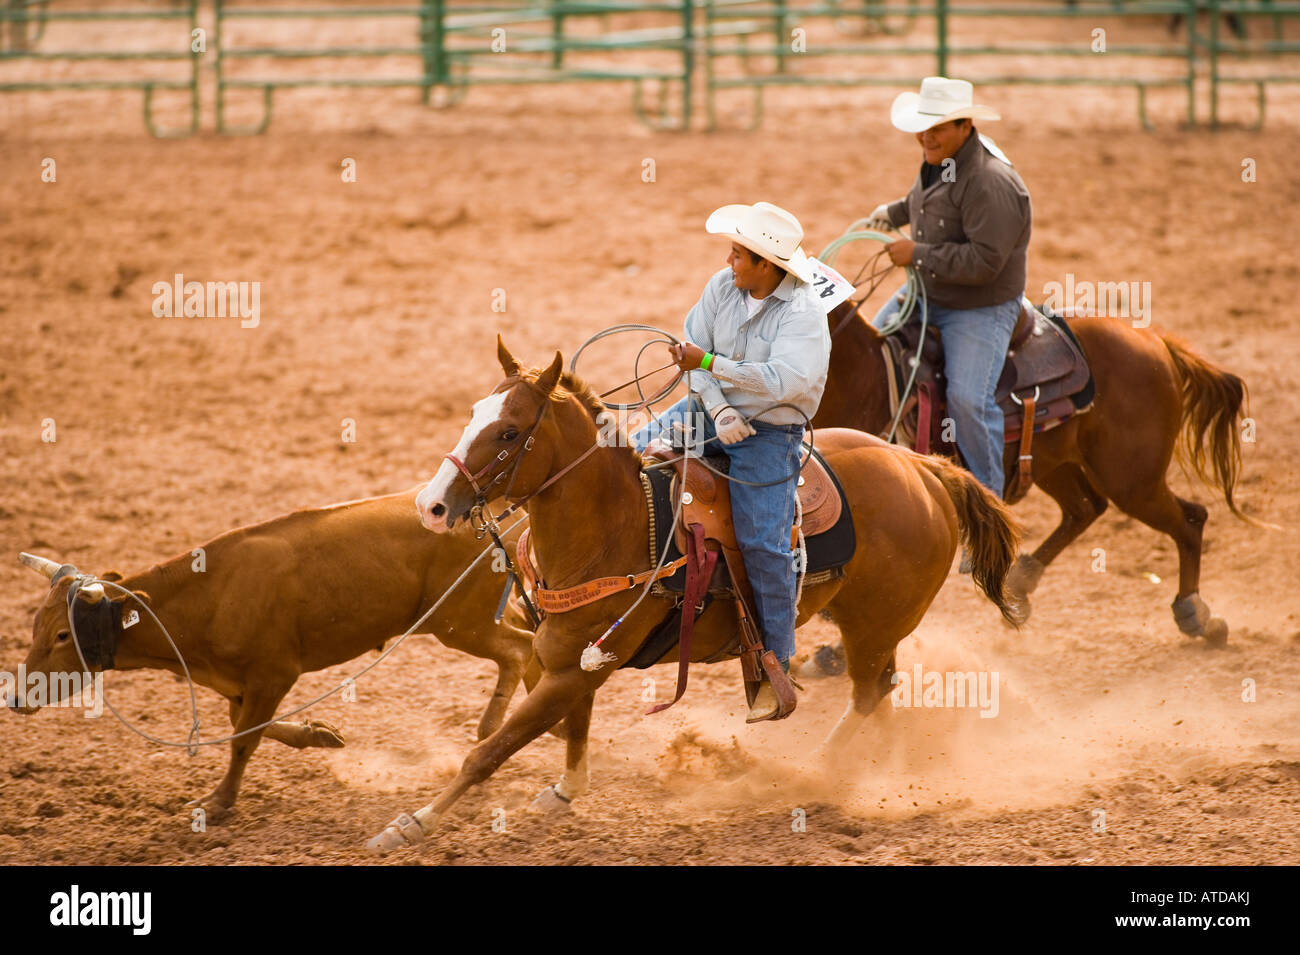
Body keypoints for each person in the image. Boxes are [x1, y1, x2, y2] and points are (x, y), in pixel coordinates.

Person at [630, 201, 831, 722]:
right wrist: (717, 407)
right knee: (626, 456)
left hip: (771, 431)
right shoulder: (723, 287)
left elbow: (785, 381)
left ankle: (776, 661)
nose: (730, 260)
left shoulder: (803, 313)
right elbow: (688, 352)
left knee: (765, 542)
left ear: (768, 265)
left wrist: (710, 366)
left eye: (740, 254)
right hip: (707, 410)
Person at [864, 76, 1032, 500]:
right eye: (924, 126)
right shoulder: (943, 156)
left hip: (980, 307)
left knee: (968, 401)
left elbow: (985, 263)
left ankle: (990, 506)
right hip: (927, 295)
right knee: (870, 352)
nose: (926, 135)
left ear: (964, 126)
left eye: (937, 127)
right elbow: (926, 201)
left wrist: (916, 253)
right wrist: (894, 211)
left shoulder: (991, 182)